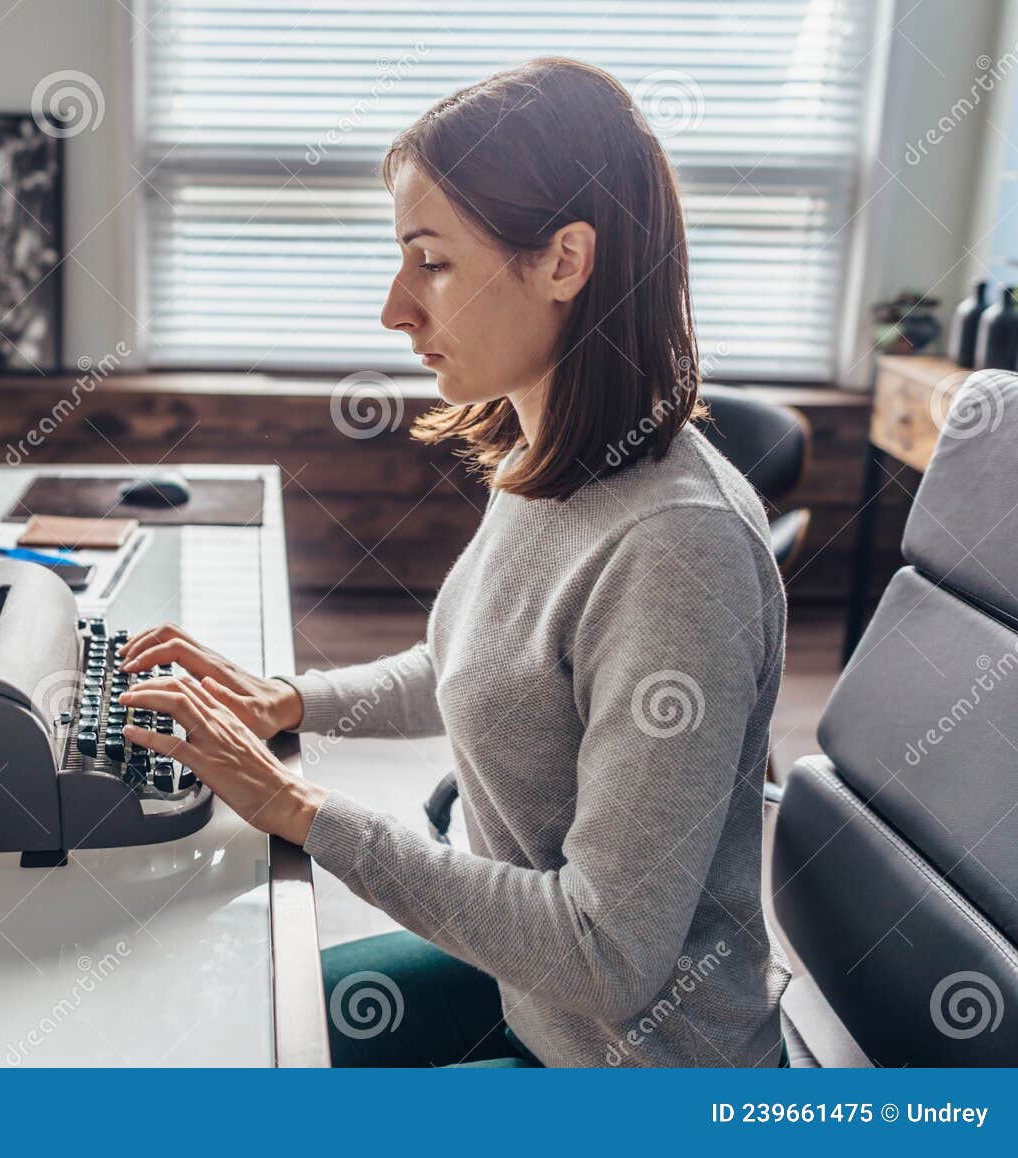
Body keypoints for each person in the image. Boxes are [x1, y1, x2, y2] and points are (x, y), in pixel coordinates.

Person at [117, 56, 789, 1068]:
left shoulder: (675, 552)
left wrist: (297, 808)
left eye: (430, 263)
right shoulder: (544, 458)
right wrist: (284, 701)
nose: (394, 308)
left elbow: (606, 956)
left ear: (564, 262)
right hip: (524, 989)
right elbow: (479, 664)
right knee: (215, 1023)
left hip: (627, 1063)